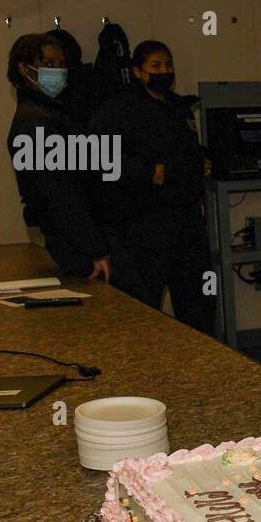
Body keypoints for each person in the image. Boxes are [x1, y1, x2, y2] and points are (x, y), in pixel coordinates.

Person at [88, 40, 216, 335]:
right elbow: (95, 157)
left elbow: (188, 153)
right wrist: (146, 173)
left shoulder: (179, 108)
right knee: (143, 306)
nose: (164, 71)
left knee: (200, 301)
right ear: (137, 71)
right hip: (144, 223)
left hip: (186, 221)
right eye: (155, 66)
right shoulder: (118, 109)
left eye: (168, 65)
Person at [6, 32, 112, 284]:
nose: (59, 71)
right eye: (49, 64)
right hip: (76, 240)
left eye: (62, 65)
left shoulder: (52, 113)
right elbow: (59, 194)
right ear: (23, 68)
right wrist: (95, 248)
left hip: (80, 234)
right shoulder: (35, 122)